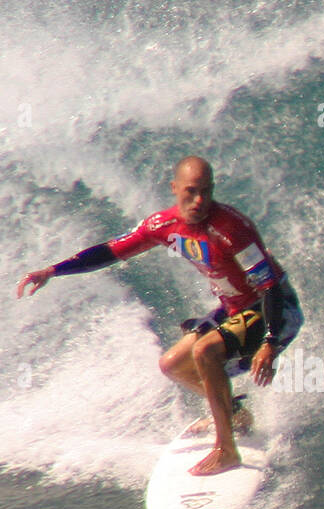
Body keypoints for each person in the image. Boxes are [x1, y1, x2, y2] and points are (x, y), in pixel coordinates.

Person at [16, 156, 303, 476]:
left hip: (271, 308)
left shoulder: (232, 229)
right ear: (174, 188)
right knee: (172, 365)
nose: (199, 201)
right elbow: (110, 251)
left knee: (205, 351)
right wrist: (53, 271)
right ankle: (234, 415)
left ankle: (226, 450)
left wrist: (270, 342)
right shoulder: (163, 226)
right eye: (191, 192)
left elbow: (270, 286)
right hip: (234, 308)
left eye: (206, 192)